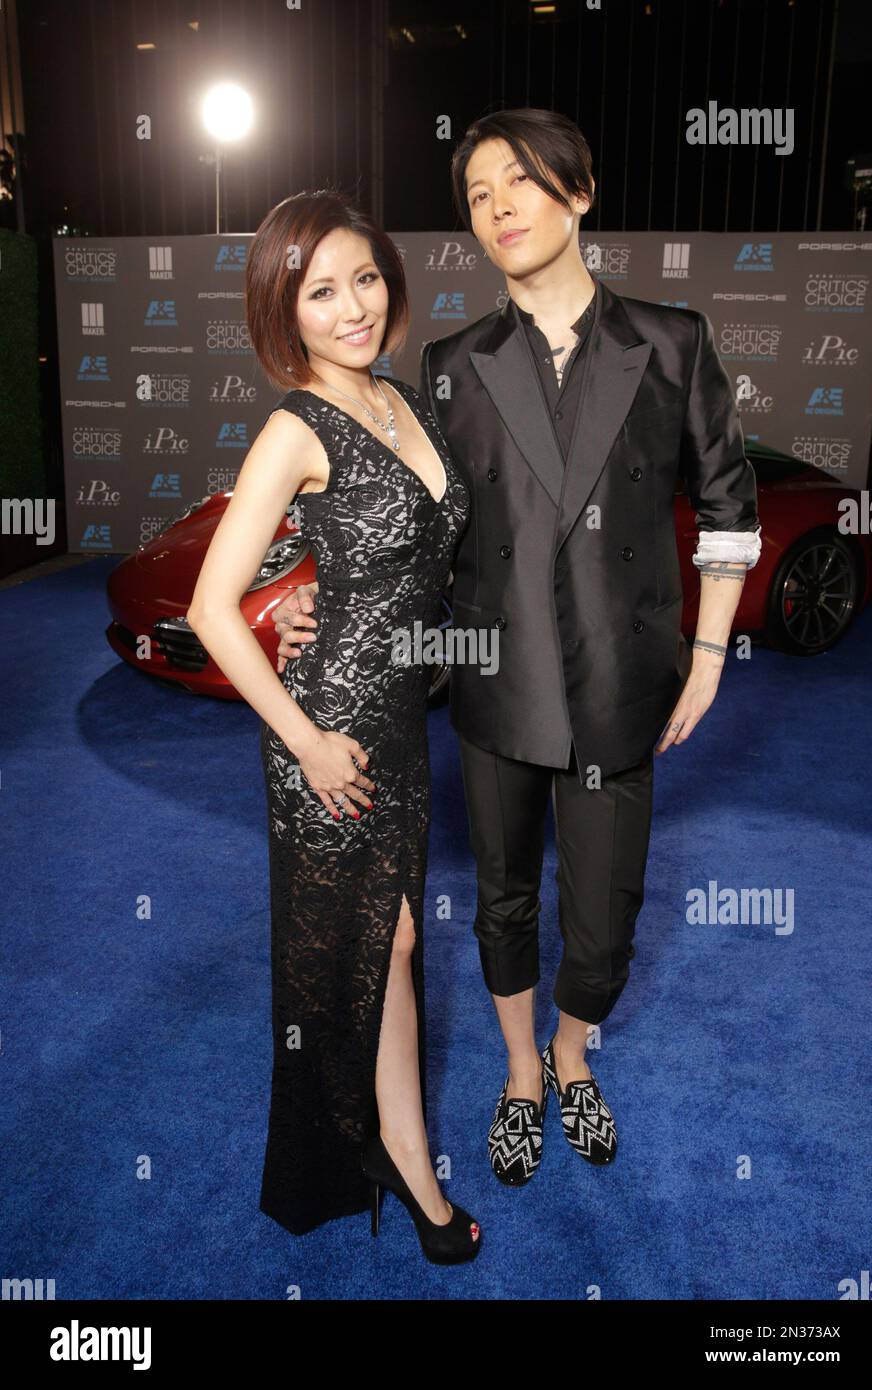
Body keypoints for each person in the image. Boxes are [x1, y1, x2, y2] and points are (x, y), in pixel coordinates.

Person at [274, 108, 761, 1191]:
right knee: (499, 899)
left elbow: (729, 508)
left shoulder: (669, 341)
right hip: (493, 685)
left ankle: (572, 1049)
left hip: (624, 685)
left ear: (578, 194)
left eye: (521, 183)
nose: (498, 207)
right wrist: (323, 602)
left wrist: (710, 652)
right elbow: (405, 513)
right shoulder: (450, 363)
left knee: (601, 919)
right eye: (478, 194)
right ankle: (519, 1074)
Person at [187, 189, 481, 1263]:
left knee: (393, 945)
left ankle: (382, 1150)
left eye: (364, 278)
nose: (351, 306)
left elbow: (387, 557)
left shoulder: (402, 400)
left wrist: (309, 584)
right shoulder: (292, 424)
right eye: (320, 291)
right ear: (285, 309)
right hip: (332, 735)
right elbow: (211, 608)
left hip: (402, 725)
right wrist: (305, 740)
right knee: (377, 948)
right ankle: (398, 1162)